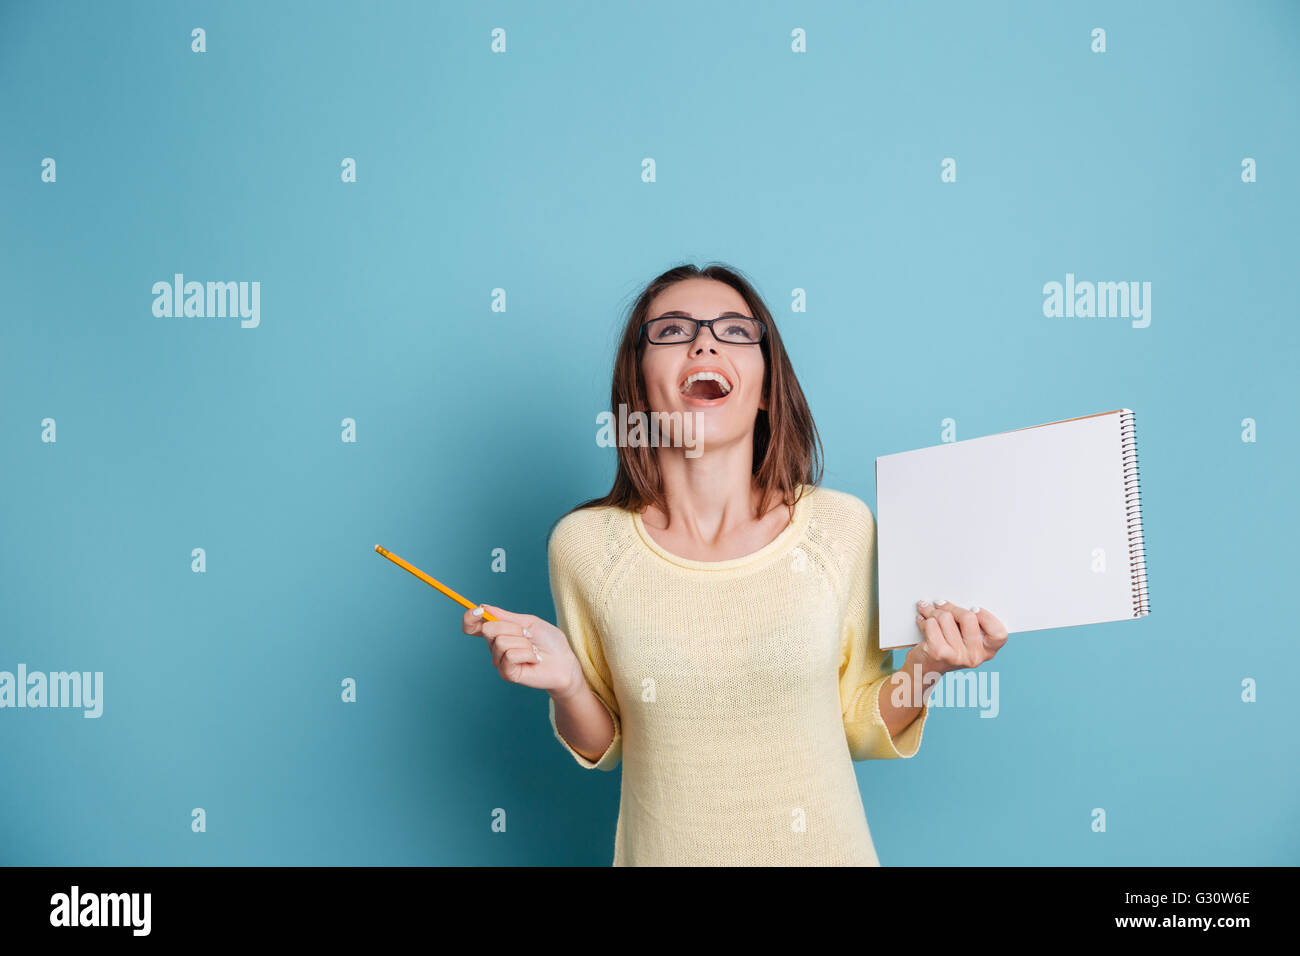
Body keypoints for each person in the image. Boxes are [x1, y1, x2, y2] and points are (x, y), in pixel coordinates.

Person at [462, 262, 1009, 865]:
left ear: (768, 386)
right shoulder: (586, 546)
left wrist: (929, 666)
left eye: (734, 331)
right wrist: (568, 683)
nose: (703, 340)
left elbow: (854, 723)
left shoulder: (841, 529)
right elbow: (608, 744)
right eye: (671, 331)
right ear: (639, 388)